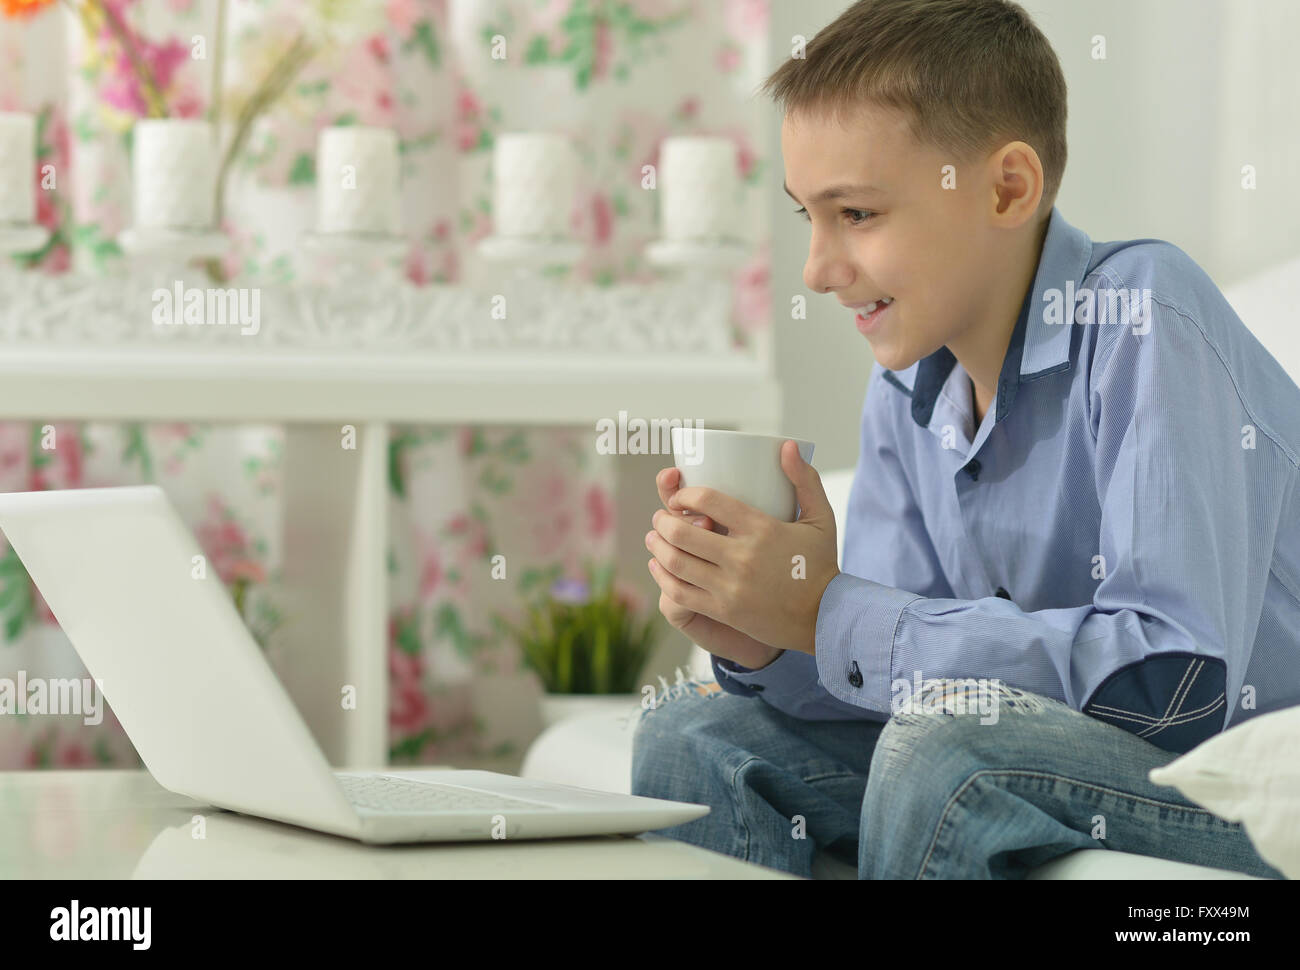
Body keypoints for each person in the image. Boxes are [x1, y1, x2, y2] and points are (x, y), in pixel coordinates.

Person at [631, 0, 1298, 879]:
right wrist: (769, 638)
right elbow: (894, 669)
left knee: (951, 747)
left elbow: (1170, 685)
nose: (819, 271)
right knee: (692, 729)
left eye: (858, 214)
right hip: (1057, 752)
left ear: (1007, 189)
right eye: (808, 217)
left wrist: (832, 611)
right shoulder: (908, 381)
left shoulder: (1141, 312)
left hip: (1231, 776)